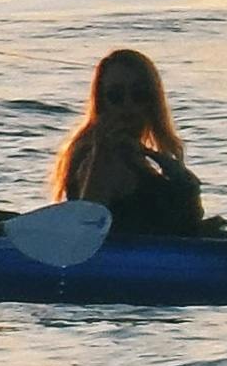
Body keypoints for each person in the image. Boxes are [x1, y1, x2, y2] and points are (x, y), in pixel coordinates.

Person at [54, 48, 206, 236]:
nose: (128, 105)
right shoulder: (100, 158)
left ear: (152, 99)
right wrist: (100, 154)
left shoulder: (137, 154)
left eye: (139, 94)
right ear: (102, 102)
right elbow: (84, 230)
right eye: (116, 96)